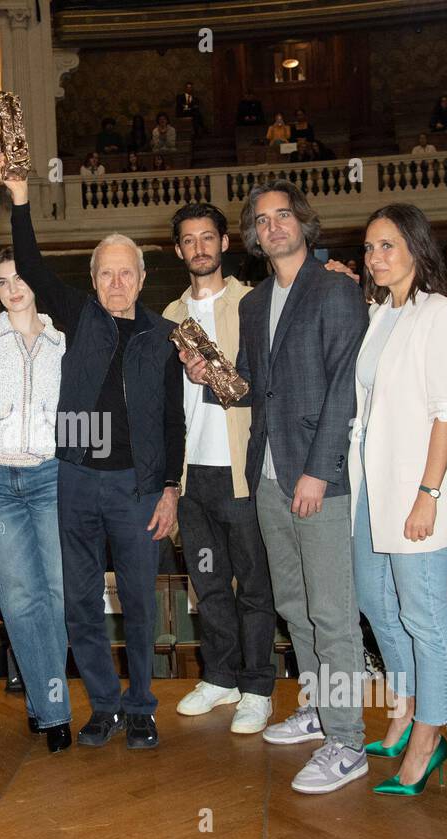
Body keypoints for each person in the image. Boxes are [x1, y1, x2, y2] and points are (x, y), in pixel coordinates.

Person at [0, 146, 184, 751]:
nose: (117, 282)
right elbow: (29, 261)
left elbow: (174, 418)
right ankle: (102, 706)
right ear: (94, 278)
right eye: (106, 272)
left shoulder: (164, 336)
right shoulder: (78, 314)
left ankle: (141, 707)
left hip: (137, 487)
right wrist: (19, 197)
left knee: (138, 603)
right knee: (80, 600)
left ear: (143, 279)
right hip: (74, 477)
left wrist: (170, 489)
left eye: (127, 272)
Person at [230, 180, 369, 793]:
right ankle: (317, 709)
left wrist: (319, 469)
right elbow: (252, 390)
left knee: (333, 615)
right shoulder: (253, 304)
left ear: (303, 223)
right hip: (267, 476)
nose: (274, 226)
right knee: (294, 607)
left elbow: (344, 388)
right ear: (254, 236)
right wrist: (211, 375)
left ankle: (347, 741)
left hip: (318, 479)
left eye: (284, 215)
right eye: (262, 220)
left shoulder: (337, 289)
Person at [348, 203, 447, 795]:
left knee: (424, 617)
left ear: (417, 249)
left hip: (417, 488)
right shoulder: (380, 316)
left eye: (388, 245)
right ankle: (404, 706)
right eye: (370, 247)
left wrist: (428, 495)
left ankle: (430, 736)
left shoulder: (442, 315)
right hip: (373, 485)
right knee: (374, 599)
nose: (376, 257)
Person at [0, 246, 74, 753]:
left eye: (19, 278)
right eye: (2, 282)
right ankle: (55, 712)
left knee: (57, 595)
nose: (12, 289)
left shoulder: (64, 340)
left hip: (51, 478)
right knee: (20, 599)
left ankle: (40, 701)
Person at [171, 204, 275, 733]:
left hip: (241, 468)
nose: (199, 248)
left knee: (254, 585)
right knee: (207, 582)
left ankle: (258, 687)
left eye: (207, 238)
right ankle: (220, 676)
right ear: (178, 250)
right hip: (192, 474)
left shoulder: (253, 303)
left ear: (224, 243)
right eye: (189, 241)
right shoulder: (169, 318)